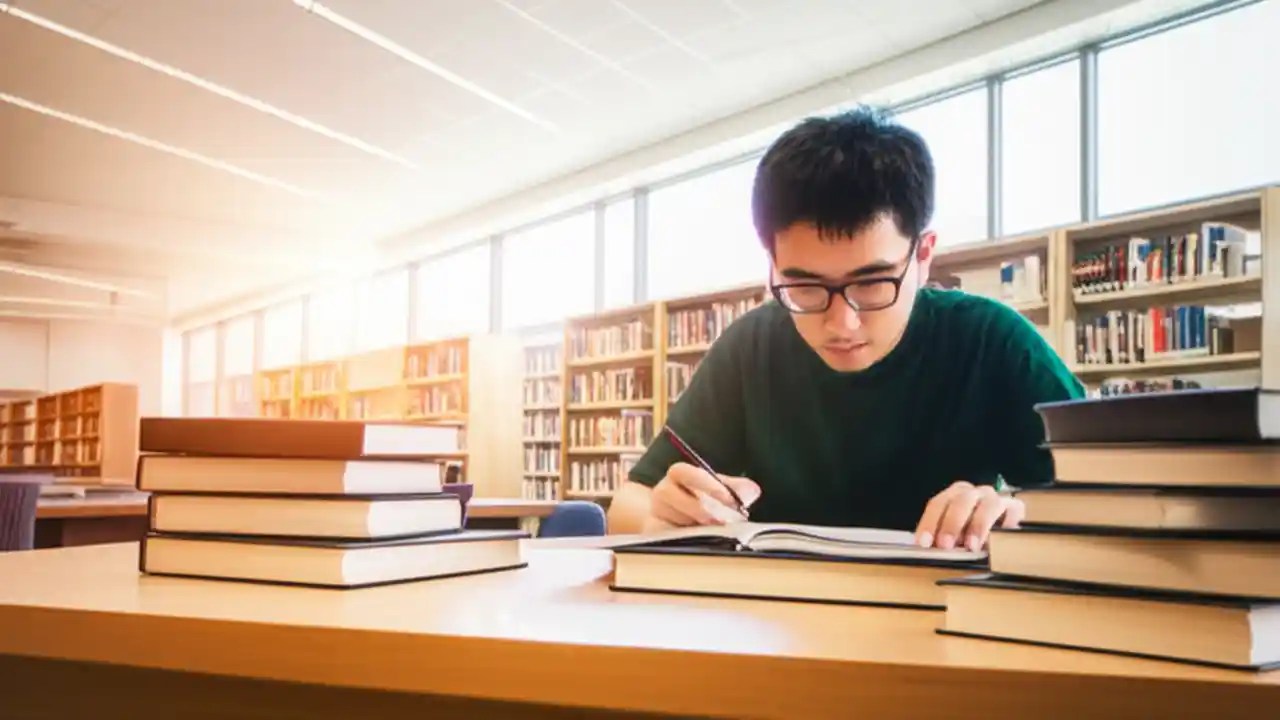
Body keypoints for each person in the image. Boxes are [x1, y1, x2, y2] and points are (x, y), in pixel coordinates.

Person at [606, 106, 1084, 551]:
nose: (841, 323)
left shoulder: (991, 341)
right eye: (805, 287)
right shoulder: (749, 347)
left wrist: (1017, 515)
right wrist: (663, 516)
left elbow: (1124, 505)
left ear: (922, 255)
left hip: (945, 617)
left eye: (873, 283)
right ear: (772, 265)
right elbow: (625, 506)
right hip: (783, 624)